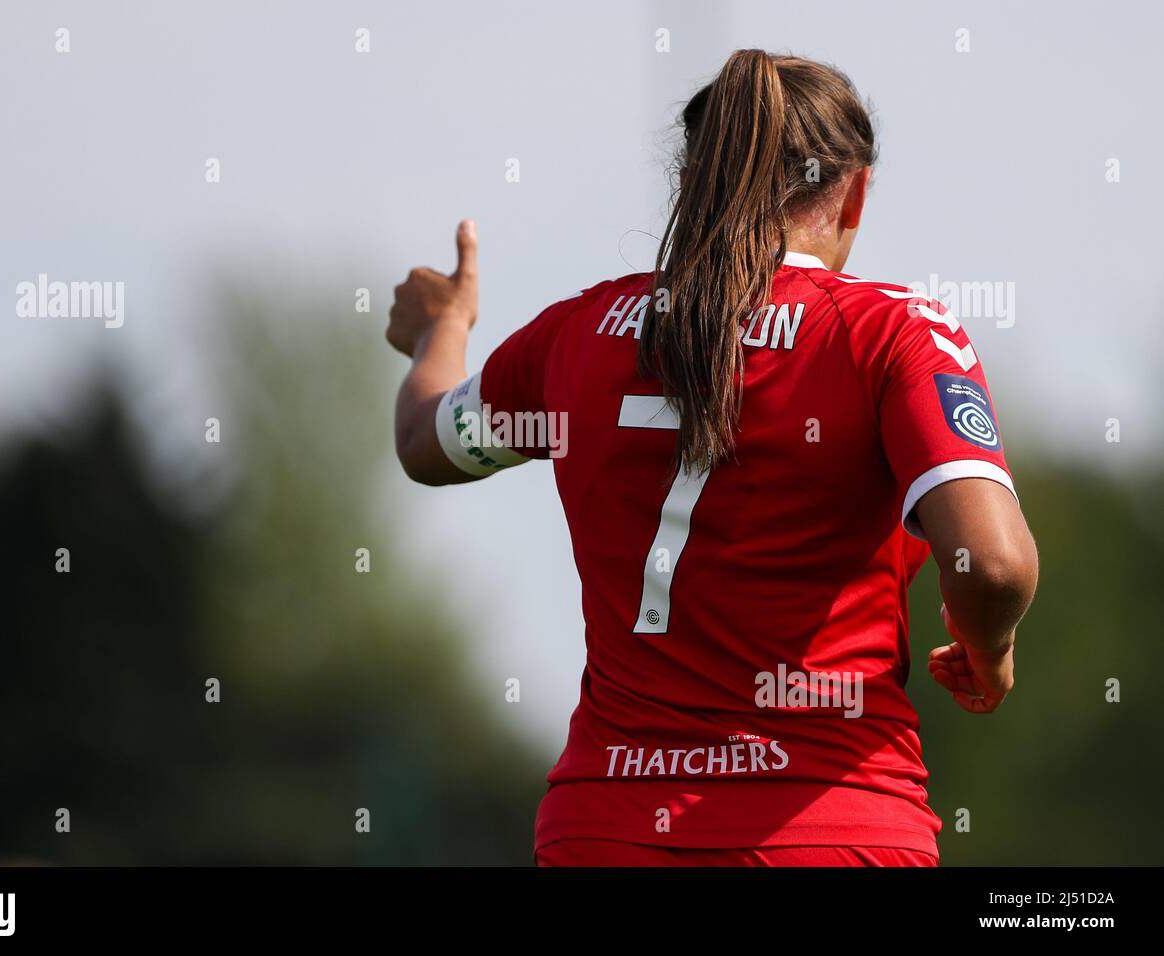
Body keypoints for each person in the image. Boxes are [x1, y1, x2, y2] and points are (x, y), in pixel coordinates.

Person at [386, 49, 1038, 867]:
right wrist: (990, 651)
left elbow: (425, 444)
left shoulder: (578, 335)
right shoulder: (892, 334)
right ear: (855, 193)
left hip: (605, 831)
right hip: (826, 829)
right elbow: (996, 566)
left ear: (690, 184)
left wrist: (439, 330)